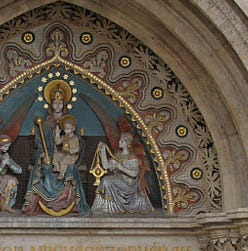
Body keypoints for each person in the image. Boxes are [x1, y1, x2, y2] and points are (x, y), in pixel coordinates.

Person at [22, 80, 89, 216]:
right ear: (50, 105)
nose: (57, 105)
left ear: (64, 104)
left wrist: (70, 147)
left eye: (60, 103)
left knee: (70, 170)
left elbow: (77, 142)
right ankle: (46, 202)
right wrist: (43, 155)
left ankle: (67, 202)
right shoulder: (45, 124)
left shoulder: (68, 121)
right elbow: (39, 143)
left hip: (67, 156)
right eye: (55, 102)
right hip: (49, 156)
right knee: (46, 169)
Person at [91, 131, 153, 214]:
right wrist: (103, 151)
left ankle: (107, 207)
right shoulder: (118, 155)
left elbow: (134, 174)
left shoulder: (133, 158)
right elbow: (106, 166)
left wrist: (121, 167)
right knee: (105, 180)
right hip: (119, 181)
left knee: (106, 181)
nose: (119, 142)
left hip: (128, 185)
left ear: (128, 143)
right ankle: (104, 207)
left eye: (122, 141)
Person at [51, 115, 81, 181]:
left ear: (73, 129)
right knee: (55, 155)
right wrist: (57, 134)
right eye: (65, 129)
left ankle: (61, 174)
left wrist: (69, 150)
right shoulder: (64, 137)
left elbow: (77, 149)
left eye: (68, 129)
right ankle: (57, 168)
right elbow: (57, 142)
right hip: (64, 153)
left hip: (72, 156)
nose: (66, 131)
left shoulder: (75, 138)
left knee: (63, 161)